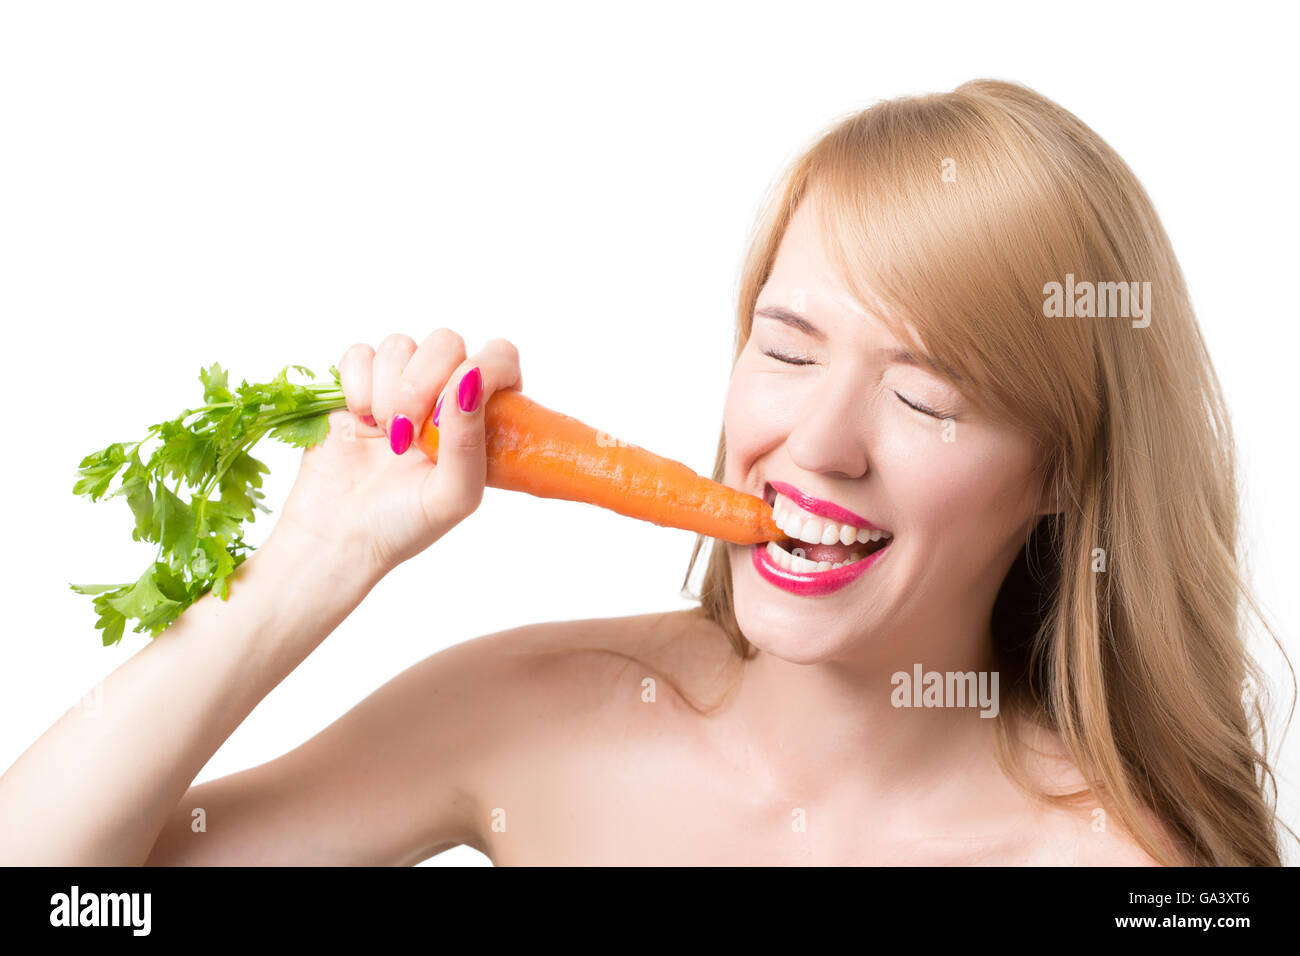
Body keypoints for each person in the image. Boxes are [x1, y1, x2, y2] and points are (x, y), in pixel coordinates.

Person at [0, 79, 1288, 866]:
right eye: (785, 349)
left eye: (923, 395)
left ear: (1063, 474)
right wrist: (309, 568)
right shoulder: (537, 711)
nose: (820, 443)